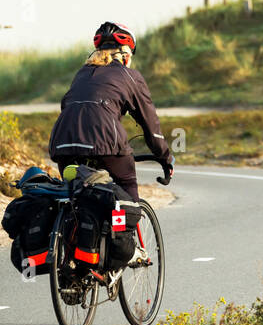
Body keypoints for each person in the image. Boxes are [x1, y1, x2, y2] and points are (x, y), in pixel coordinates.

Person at [48, 21, 174, 204]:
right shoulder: (129, 75)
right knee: (127, 190)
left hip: (62, 143)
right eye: (130, 54)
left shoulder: (81, 73)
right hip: (106, 142)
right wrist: (165, 157)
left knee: (76, 197)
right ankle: (125, 229)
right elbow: (151, 125)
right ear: (124, 53)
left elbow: (69, 107)